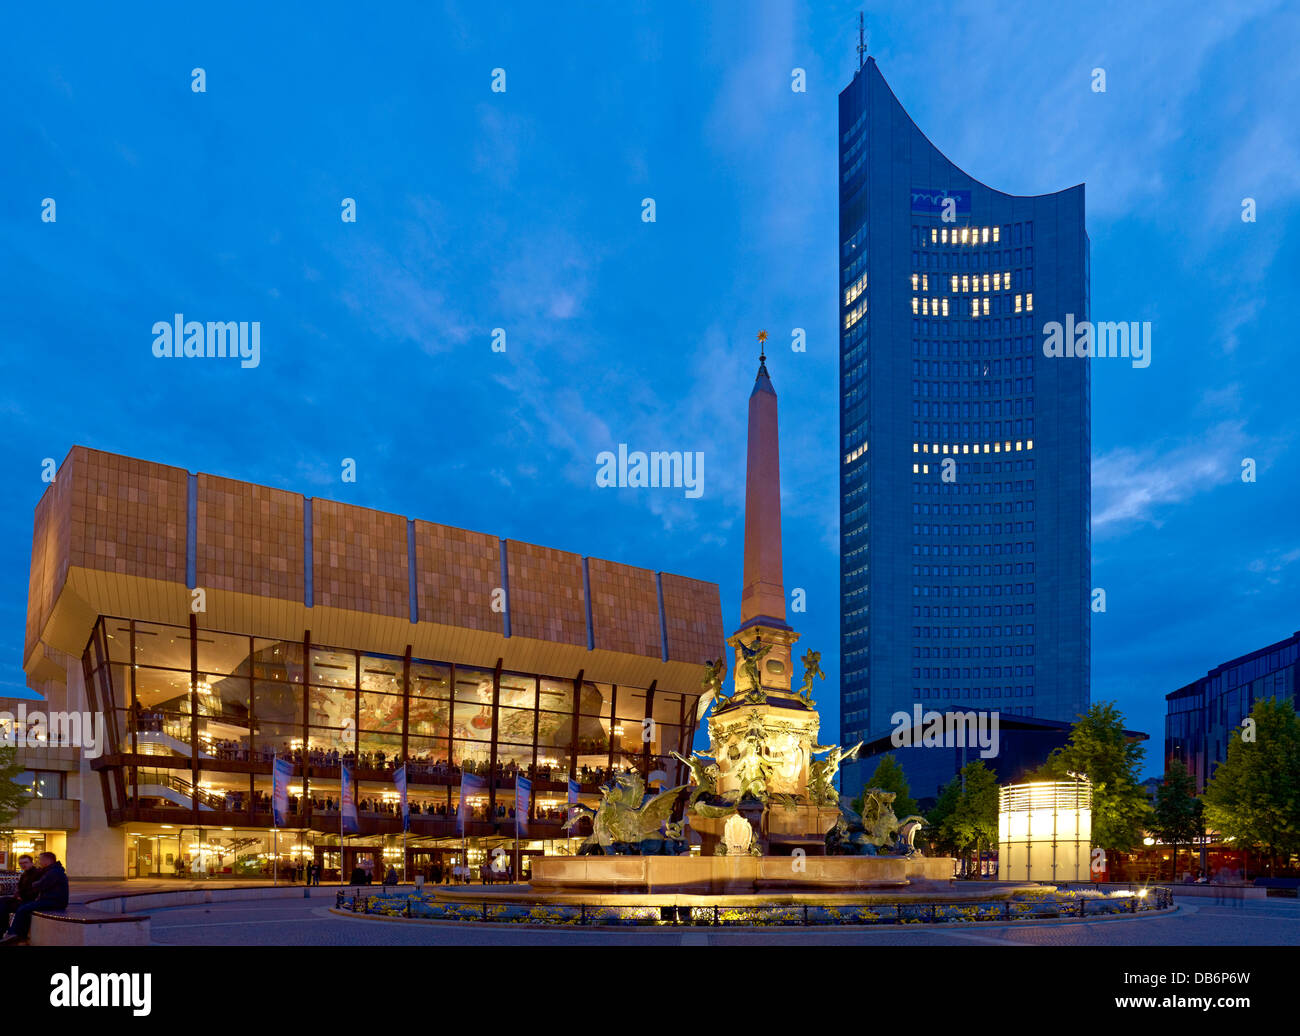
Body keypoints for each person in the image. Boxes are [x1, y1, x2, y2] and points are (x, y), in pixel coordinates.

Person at [2, 852, 69, 944]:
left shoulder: (53, 872)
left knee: (24, 908)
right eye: (21, 863)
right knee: (3, 902)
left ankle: (15, 934)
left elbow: (39, 885)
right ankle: (7, 932)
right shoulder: (49, 871)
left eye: (40, 860)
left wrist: (30, 889)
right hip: (47, 899)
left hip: (54, 901)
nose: (39, 862)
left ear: (46, 861)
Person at [0, 856, 38, 933]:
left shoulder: (36, 873)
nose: (23, 865)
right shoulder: (25, 874)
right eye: (20, 863)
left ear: (31, 863)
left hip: (29, 900)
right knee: (2, 902)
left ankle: (8, 931)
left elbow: (35, 891)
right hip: (22, 898)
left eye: (25, 862)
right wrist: (17, 895)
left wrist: (21, 896)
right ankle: (3, 928)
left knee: (4, 906)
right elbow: (20, 888)